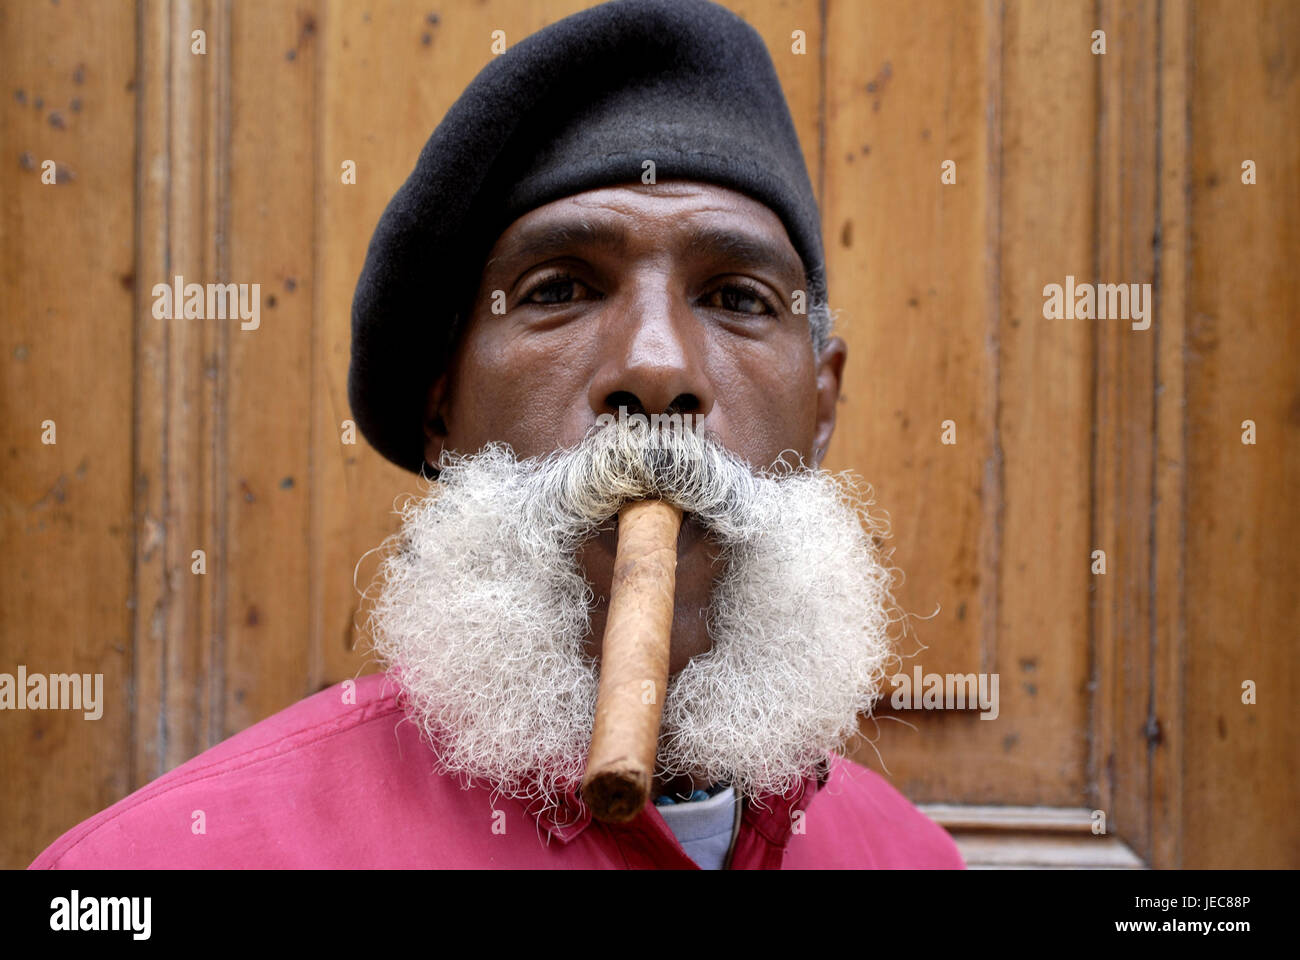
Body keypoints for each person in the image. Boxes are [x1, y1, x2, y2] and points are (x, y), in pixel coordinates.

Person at [31, 0, 963, 870]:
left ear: (824, 405)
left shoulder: (914, 860)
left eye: (735, 298)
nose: (655, 368)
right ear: (442, 408)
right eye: (559, 290)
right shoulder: (170, 863)